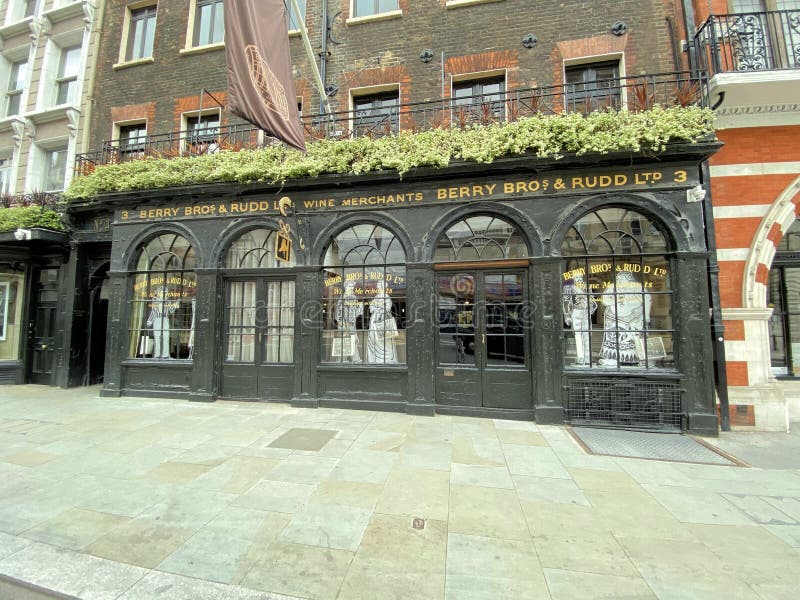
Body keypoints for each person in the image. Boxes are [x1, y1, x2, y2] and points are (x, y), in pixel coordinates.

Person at [599, 271, 650, 366]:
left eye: (622, 279)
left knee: (634, 338)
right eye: (618, 279)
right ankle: (613, 358)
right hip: (614, 318)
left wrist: (645, 315)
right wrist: (617, 300)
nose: (619, 281)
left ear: (629, 280)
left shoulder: (637, 287)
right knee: (613, 339)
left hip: (633, 317)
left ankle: (638, 358)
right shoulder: (613, 287)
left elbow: (647, 298)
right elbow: (604, 300)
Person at [562, 272, 597, 365]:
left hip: (586, 312)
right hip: (576, 311)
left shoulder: (587, 287)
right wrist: (567, 315)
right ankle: (580, 357)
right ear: (573, 277)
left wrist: (590, 310)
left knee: (587, 334)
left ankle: (587, 358)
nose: (579, 279)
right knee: (578, 334)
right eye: (577, 277)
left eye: (580, 277)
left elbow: (592, 301)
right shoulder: (569, 287)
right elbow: (566, 301)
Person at [367, 280, 398, 364]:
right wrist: (378, 308)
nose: (379, 287)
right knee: (374, 338)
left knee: (384, 339)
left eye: (380, 286)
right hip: (374, 320)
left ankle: (386, 359)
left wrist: (378, 309)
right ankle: (375, 359)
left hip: (382, 321)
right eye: (378, 286)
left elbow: (387, 308)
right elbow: (371, 308)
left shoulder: (386, 297)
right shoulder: (376, 296)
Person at [335, 279, 363, 362]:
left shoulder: (354, 298)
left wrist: (360, 308)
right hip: (344, 324)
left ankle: (355, 359)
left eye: (352, 286)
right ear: (346, 287)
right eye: (350, 286)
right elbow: (338, 312)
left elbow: (356, 313)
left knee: (352, 340)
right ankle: (342, 359)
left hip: (351, 324)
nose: (351, 288)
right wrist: (341, 322)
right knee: (344, 341)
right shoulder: (342, 298)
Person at [146, 286, 177, 359]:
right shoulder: (154, 300)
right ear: (159, 293)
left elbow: (171, 311)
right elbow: (153, 312)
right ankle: (157, 355)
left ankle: (165, 355)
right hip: (157, 320)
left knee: (166, 338)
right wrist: (149, 321)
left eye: (166, 293)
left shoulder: (167, 301)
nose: (165, 294)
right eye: (163, 293)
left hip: (165, 320)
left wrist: (175, 304)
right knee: (157, 338)